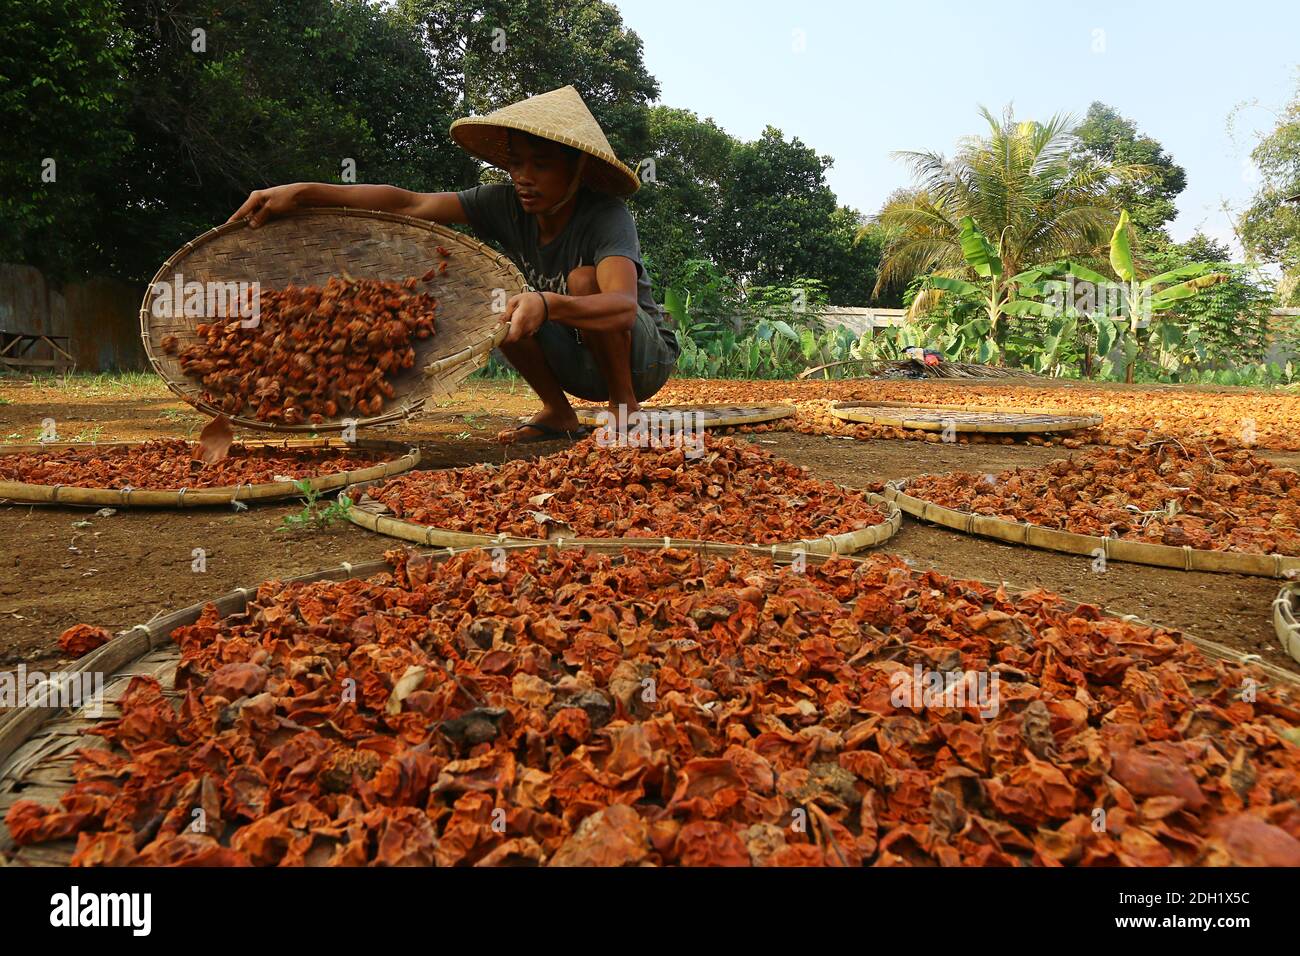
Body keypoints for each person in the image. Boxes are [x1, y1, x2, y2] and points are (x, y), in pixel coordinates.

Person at [227, 85, 679, 444]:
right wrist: (306, 193)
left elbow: (620, 306)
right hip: (577, 360)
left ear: (577, 170)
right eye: (516, 164)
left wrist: (548, 303)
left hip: (641, 362)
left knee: (582, 281)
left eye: (540, 165)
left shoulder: (605, 215)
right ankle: (559, 413)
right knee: (497, 299)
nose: (523, 177)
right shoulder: (505, 203)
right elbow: (410, 203)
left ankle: (624, 411)